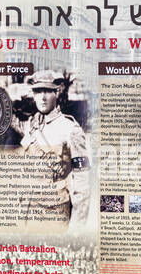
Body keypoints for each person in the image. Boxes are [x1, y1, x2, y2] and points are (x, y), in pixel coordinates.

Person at [11, 70, 89, 225]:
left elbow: (82, 184)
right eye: (38, 91)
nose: (43, 97)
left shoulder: (70, 129)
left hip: (54, 214)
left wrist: (76, 230)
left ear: (57, 93)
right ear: (33, 95)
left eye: (48, 91)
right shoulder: (32, 125)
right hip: (28, 211)